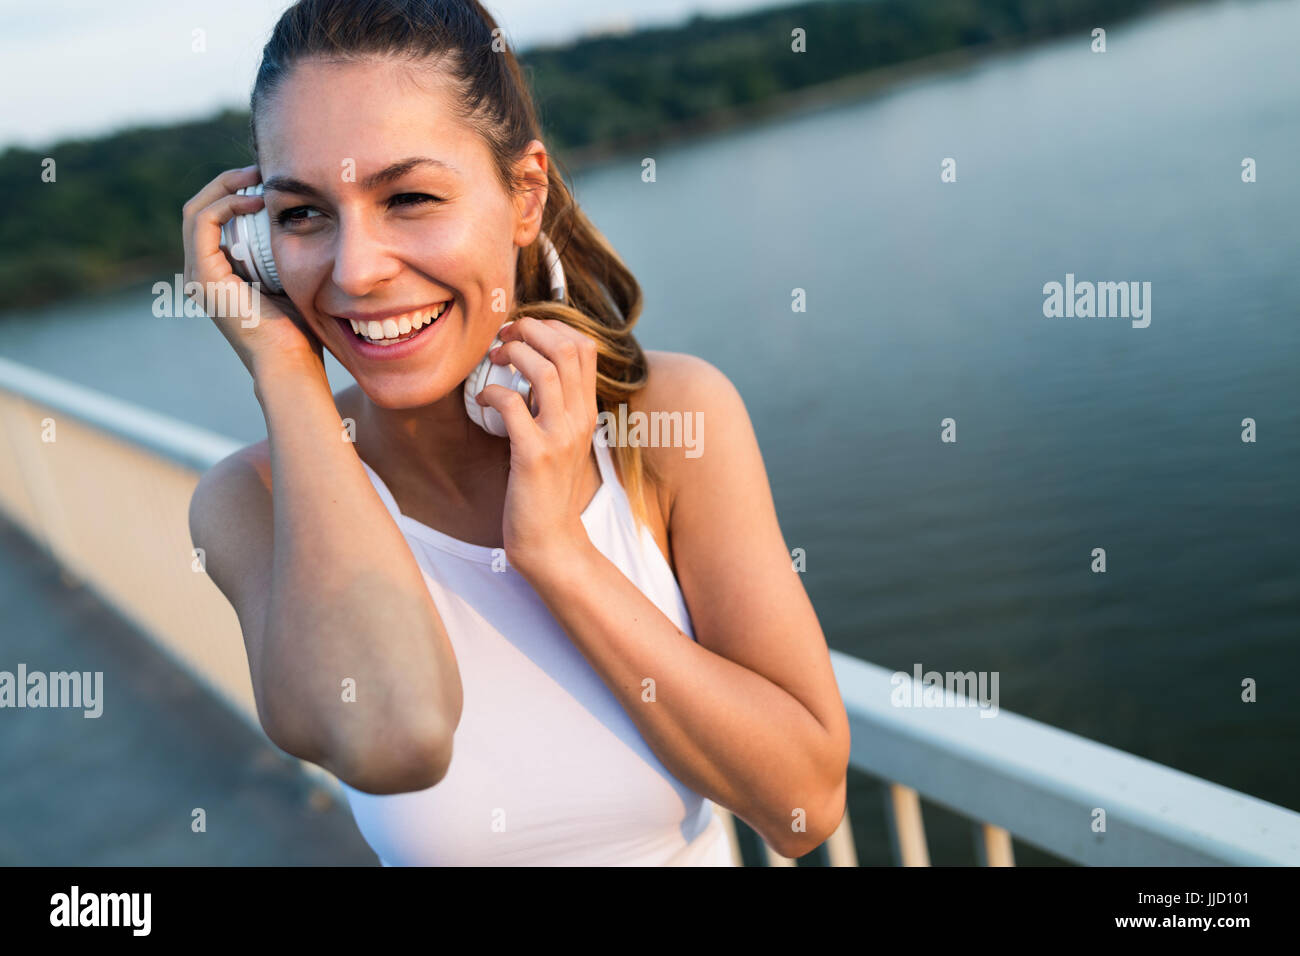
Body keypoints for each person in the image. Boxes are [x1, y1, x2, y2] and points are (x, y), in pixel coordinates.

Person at [183, 0, 849, 866]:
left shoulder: (666, 424)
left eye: (410, 197)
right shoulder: (252, 503)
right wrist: (283, 367)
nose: (356, 270)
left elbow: (803, 809)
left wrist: (556, 554)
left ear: (523, 193)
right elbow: (398, 738)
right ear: (258, 248)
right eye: (304, 214)